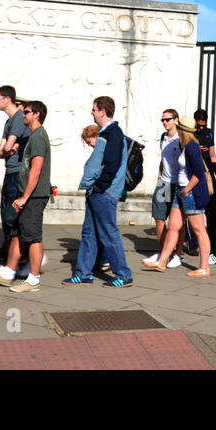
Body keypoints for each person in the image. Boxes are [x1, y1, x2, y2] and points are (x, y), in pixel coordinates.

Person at [62, 96, 134, 288]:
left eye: (94, 109)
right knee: (89, 234)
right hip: (98, 192)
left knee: (109, 235)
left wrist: (100, 186)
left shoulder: (112, 133)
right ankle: (84, 273)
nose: (92, 112)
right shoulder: (108, 133)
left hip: (104, 193)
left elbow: (111, 164)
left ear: (103, 111)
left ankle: (123, 275)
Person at [0, 100, 50, 292]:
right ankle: (7, 273)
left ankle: (33, 280)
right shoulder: (33, 136)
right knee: (17, 234)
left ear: (36, 114)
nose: (23, 115)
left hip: (34, 196)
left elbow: (36, 170)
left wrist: (24, 197)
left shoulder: (38, 136)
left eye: (27, 112)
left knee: (32, 237)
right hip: (26, 193)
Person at [145, 116, 212, 277]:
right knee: (174, 226)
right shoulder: (184, 145)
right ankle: (162, 261)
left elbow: (198, 173)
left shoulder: (191, 147)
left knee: (199, 229)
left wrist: (187, 190)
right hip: (181, 190)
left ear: (183, 130)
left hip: (189, 192)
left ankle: (204, 267)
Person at [0, 85, 30, 265]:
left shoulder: (17, 119)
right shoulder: (9, 122)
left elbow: (6, 148)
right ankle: (9, 253)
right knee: (5, 215)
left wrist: (8, 150)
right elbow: (1, 152)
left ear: (8, 99)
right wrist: (8, 151)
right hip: (10, 172)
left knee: (12, 216)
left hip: (17, 174)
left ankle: (18, 256)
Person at [145, 109, 184, 269]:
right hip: (164, 183)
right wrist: (160, 176)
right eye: (163, 120)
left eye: (167, 119)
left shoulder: (181, 138)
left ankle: (177, 254)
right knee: (159, 217)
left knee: (178, 222)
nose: (164, 122)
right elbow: (164, 159)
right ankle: (162, 253)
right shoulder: (163, 138)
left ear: (176, 120)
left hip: (178, 184)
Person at [193, 109, 216, 261]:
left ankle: (212, 245)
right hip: (195, 175)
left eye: (204, 125)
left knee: (212, 213)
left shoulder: (208, 133)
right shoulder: (190, 133)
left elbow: (213, 154)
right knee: (193, 211)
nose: (201, 128)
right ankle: (193, 244)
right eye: (199, 125)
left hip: (208, 174)